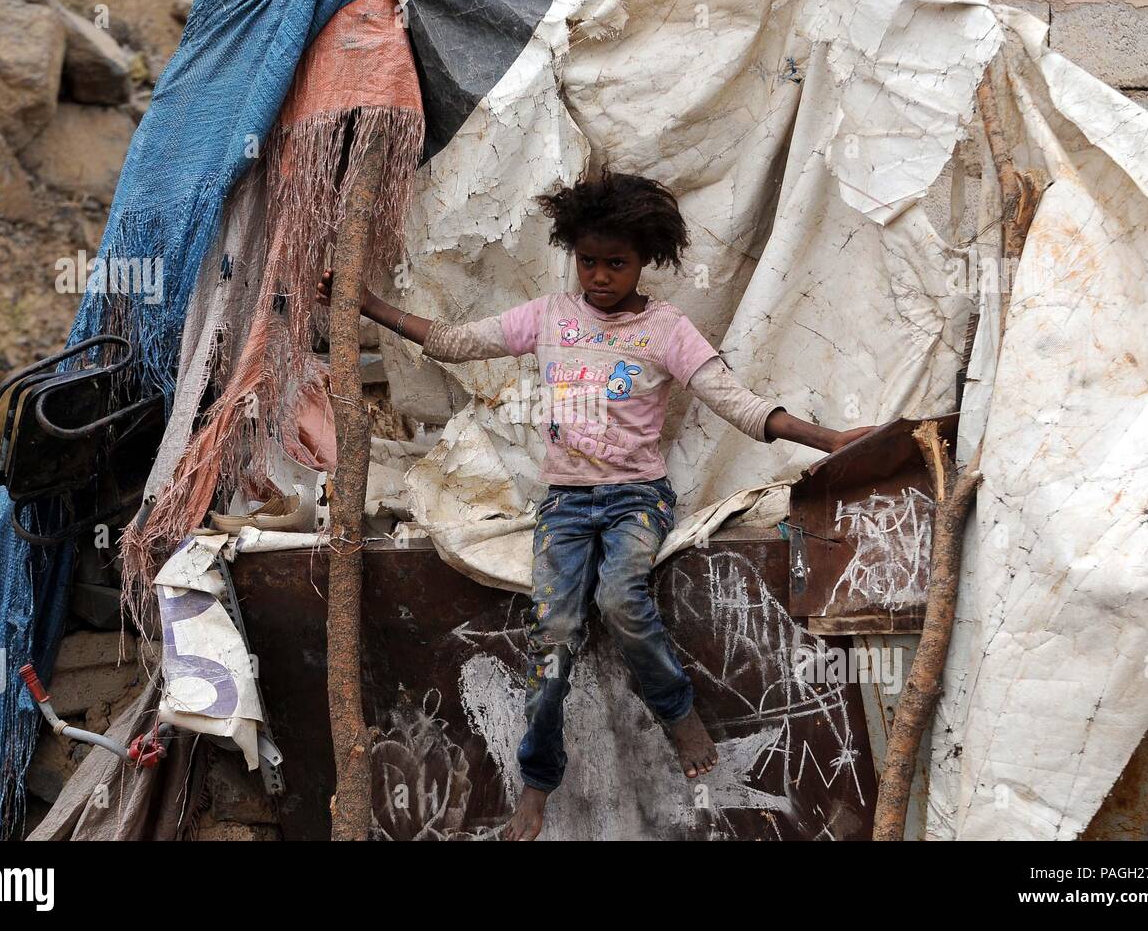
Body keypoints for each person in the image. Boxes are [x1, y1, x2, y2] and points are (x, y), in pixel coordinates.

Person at [318, 167, 877, 840]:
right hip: (564, 506)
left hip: (636, 501)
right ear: (573, 255)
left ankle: (678, 713)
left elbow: (737, 403)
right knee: (552, 637)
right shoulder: (551, 317)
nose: (600, 276)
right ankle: (535, 784)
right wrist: (369, 304)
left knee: (620, 597)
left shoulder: (666, 329)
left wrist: (831, 439)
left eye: (617, 263)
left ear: (646, 261)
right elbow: (457, 342)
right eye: (589, 261)